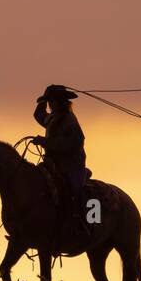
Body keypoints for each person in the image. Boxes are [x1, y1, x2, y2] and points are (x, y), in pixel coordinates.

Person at [32, 85, 91, 242]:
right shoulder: (54, 117)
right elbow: (39, 115)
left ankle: (88, 223)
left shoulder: (69, 120)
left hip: (72, 165)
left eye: (52, 101)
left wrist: (44, 141)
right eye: (50, 102)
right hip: (54, 165)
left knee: (76, 190)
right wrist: (42, 101)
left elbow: (73, 143)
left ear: (60, 102)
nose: (52, 104)